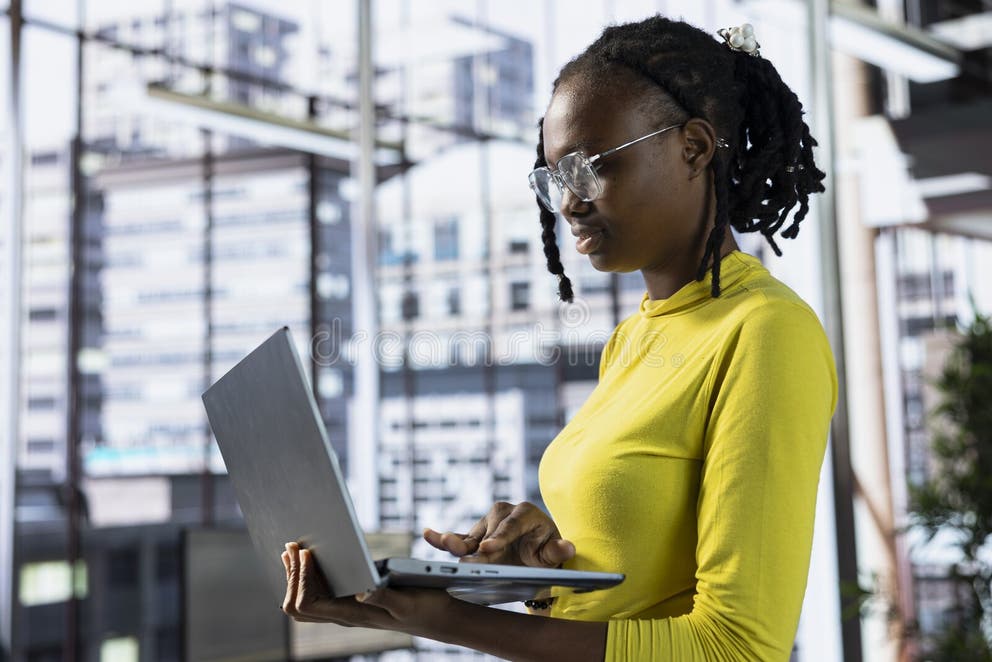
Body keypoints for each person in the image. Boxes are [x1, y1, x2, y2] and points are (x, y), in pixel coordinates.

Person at [281, 15, 837, 661]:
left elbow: (737, 648)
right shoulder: (634, 339)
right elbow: (632, 595)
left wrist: (446, 621)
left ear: (694, 147)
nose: (569, 201)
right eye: (556, 177)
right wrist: (541, 570)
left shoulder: (766, 332)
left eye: (591, 166)